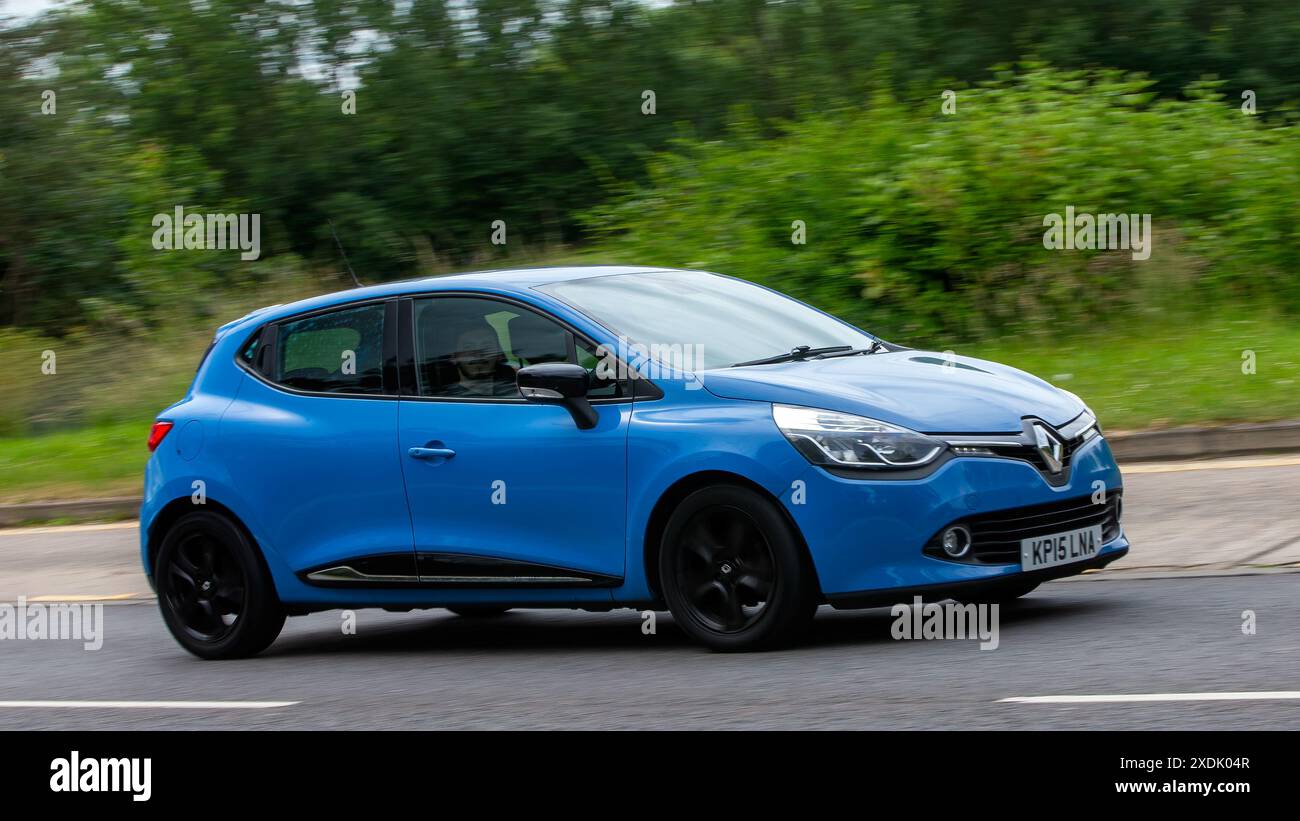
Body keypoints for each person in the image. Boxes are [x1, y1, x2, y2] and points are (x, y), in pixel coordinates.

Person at [439, 325, 519, 397]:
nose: (478, 355)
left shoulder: (518, 395)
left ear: (499, 355)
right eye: (468, 347)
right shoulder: (444, 400)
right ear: (454, 357)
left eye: (487, 347)